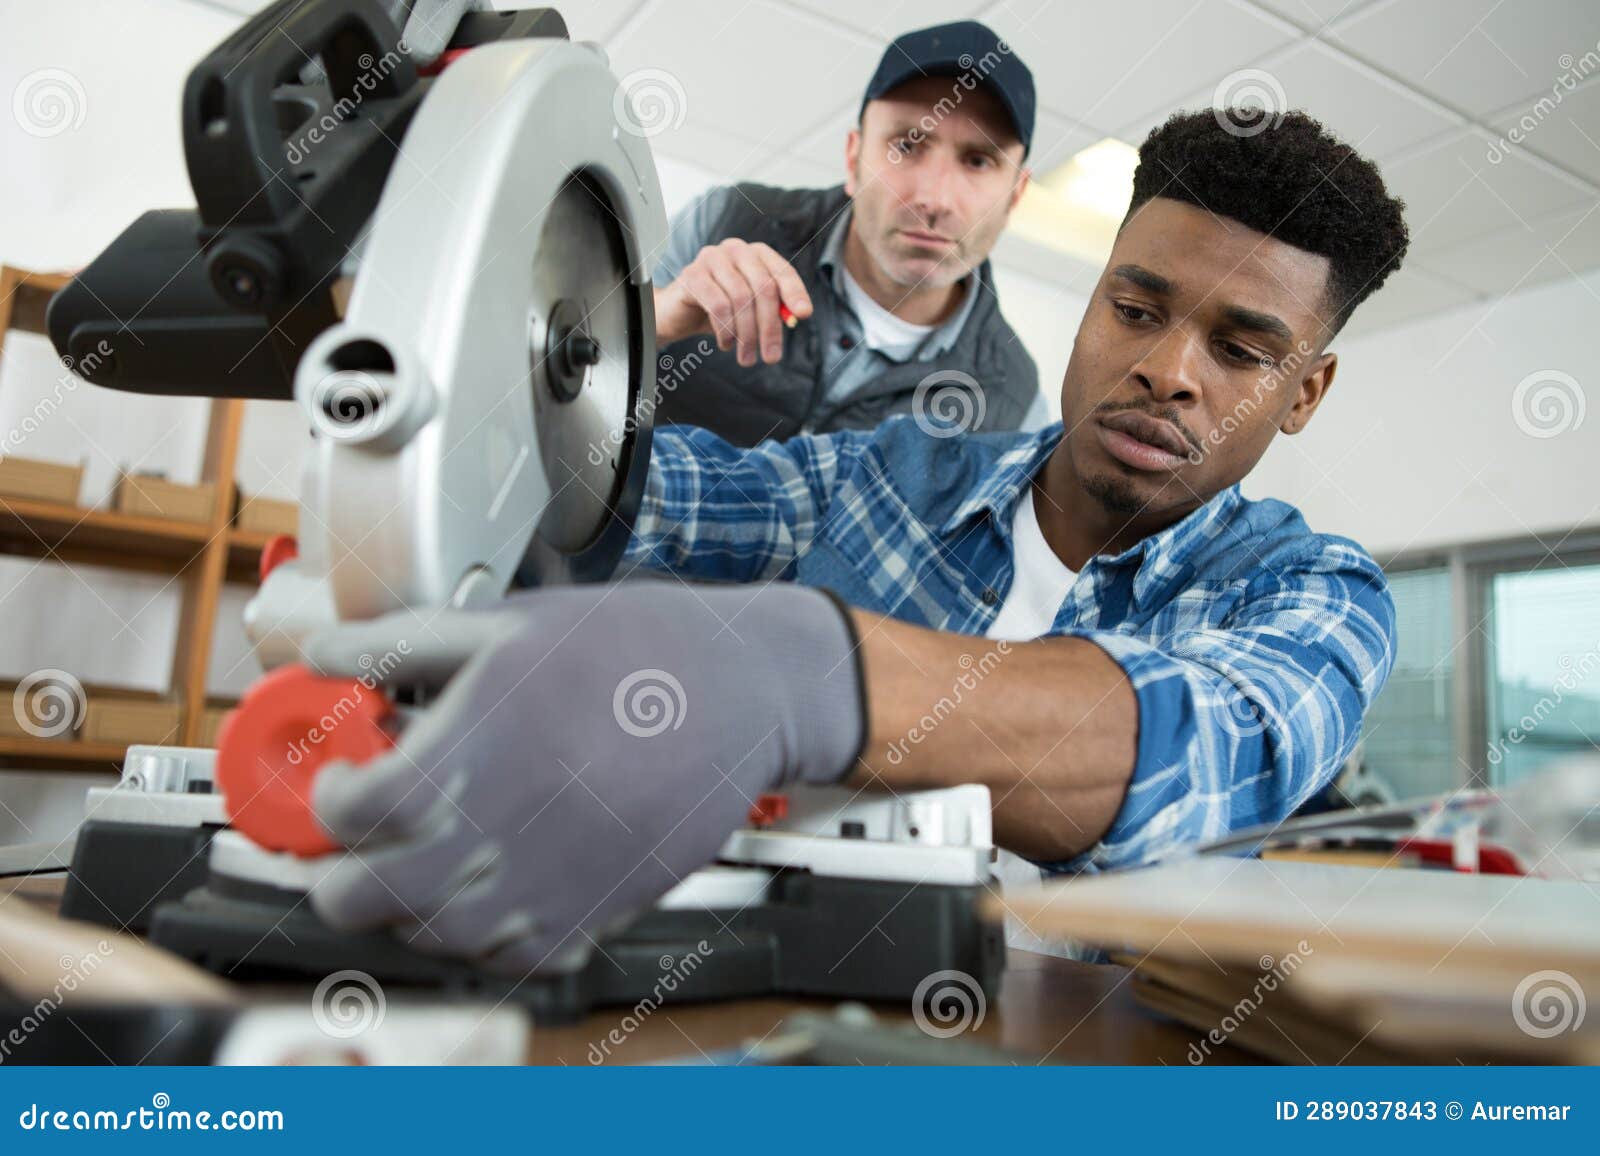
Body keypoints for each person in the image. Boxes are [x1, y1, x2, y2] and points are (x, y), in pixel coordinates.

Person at [301, 109, 1410, 975]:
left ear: (1303, 392)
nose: (1169, 369)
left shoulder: (1315, 596)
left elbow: (1213, 746)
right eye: (1135, 308)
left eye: (1240, 347)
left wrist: (801, 669)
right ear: (1090, 306)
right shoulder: (885, 474)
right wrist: (622, 331)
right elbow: (597, 487)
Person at [649, 20, 1044, 445]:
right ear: (853, 158)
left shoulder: (1015, 407)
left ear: (1015, 195)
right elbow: (577, 355)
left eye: (979, 161)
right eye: (907, 146)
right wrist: (660, 320)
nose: (934, 199)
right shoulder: (729, 219)